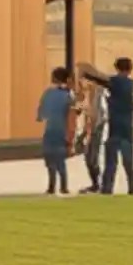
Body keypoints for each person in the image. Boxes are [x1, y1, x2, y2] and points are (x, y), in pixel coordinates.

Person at [101, 57, 133, 195]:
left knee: (110, 164)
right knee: (129, 164)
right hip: (127, 129)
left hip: (114, 127)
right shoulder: (132, 86)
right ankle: (132, 189)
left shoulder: (112, 83)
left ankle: (107, 189)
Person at [37, 66, 74, 195]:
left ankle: (51, 185)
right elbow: (71, 116)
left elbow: (41, 114)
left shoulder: (48, 93)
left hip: (50, 128)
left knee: (49, 158)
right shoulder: (68, 96)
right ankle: (63, 186)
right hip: (62, 130)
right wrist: (70, 137)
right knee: (60, 160)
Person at [76, 70, 108, 194]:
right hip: (90, 128)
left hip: (98, 128)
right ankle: (95, 183)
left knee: (92, 157)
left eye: (82, 81)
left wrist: (90, 131)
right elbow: (84, 110)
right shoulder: (88, 95)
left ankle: (98, 184)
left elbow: (100, 115)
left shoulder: (99, 95)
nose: (81, 84)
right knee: (88, 157)